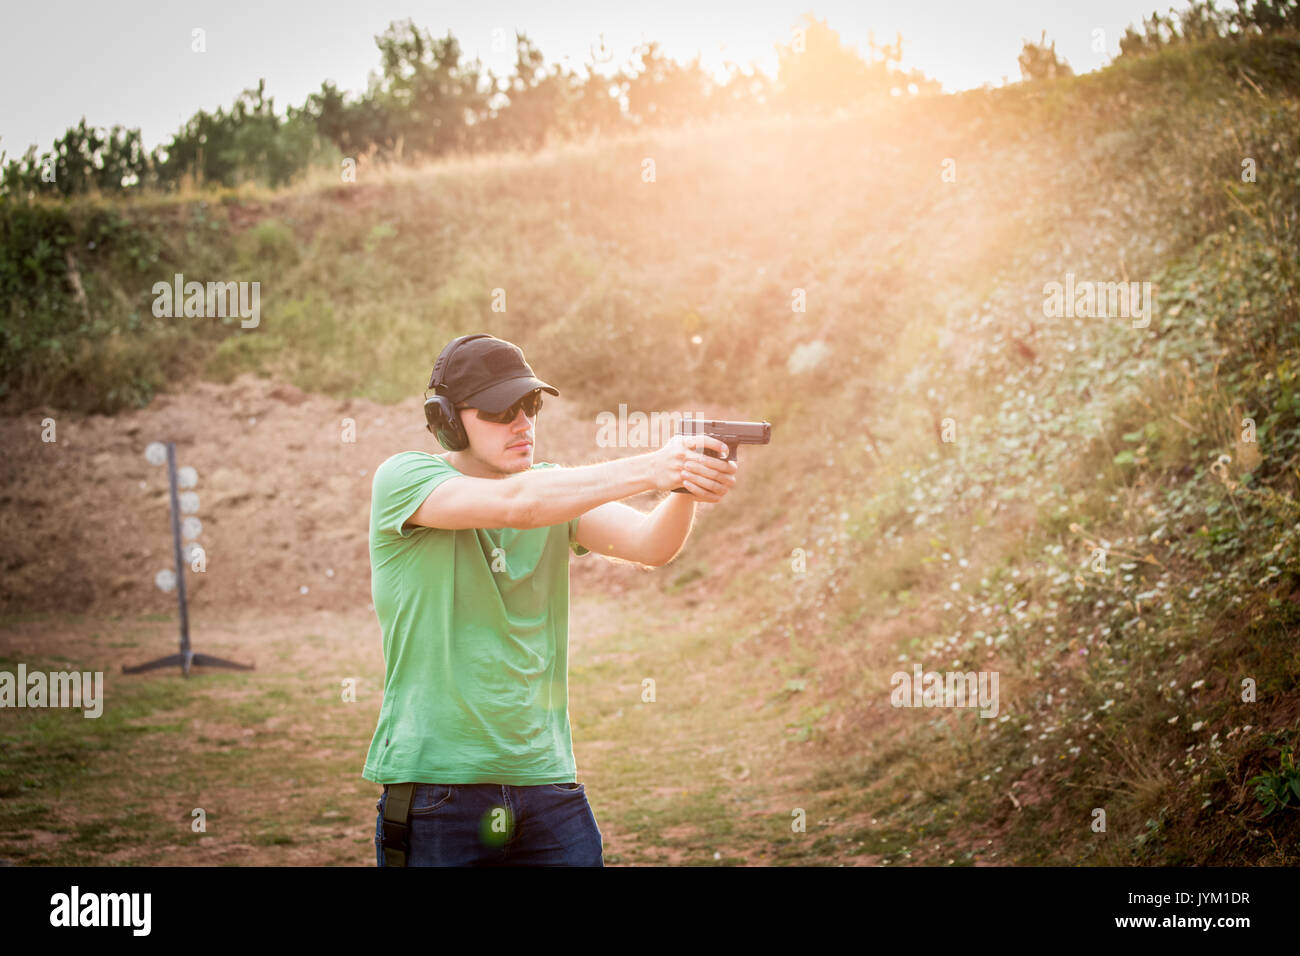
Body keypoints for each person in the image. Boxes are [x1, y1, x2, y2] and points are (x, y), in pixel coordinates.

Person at [364, 333, 737, 866]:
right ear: (447, 420)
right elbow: (519, 506)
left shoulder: (553, 490)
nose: (522, 423)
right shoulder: (405, 479)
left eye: (530, 406)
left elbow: (651, 546)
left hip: (547, 782)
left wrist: (684, 486)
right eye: (500, 410)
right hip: (437, 787)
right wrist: (655, 466)